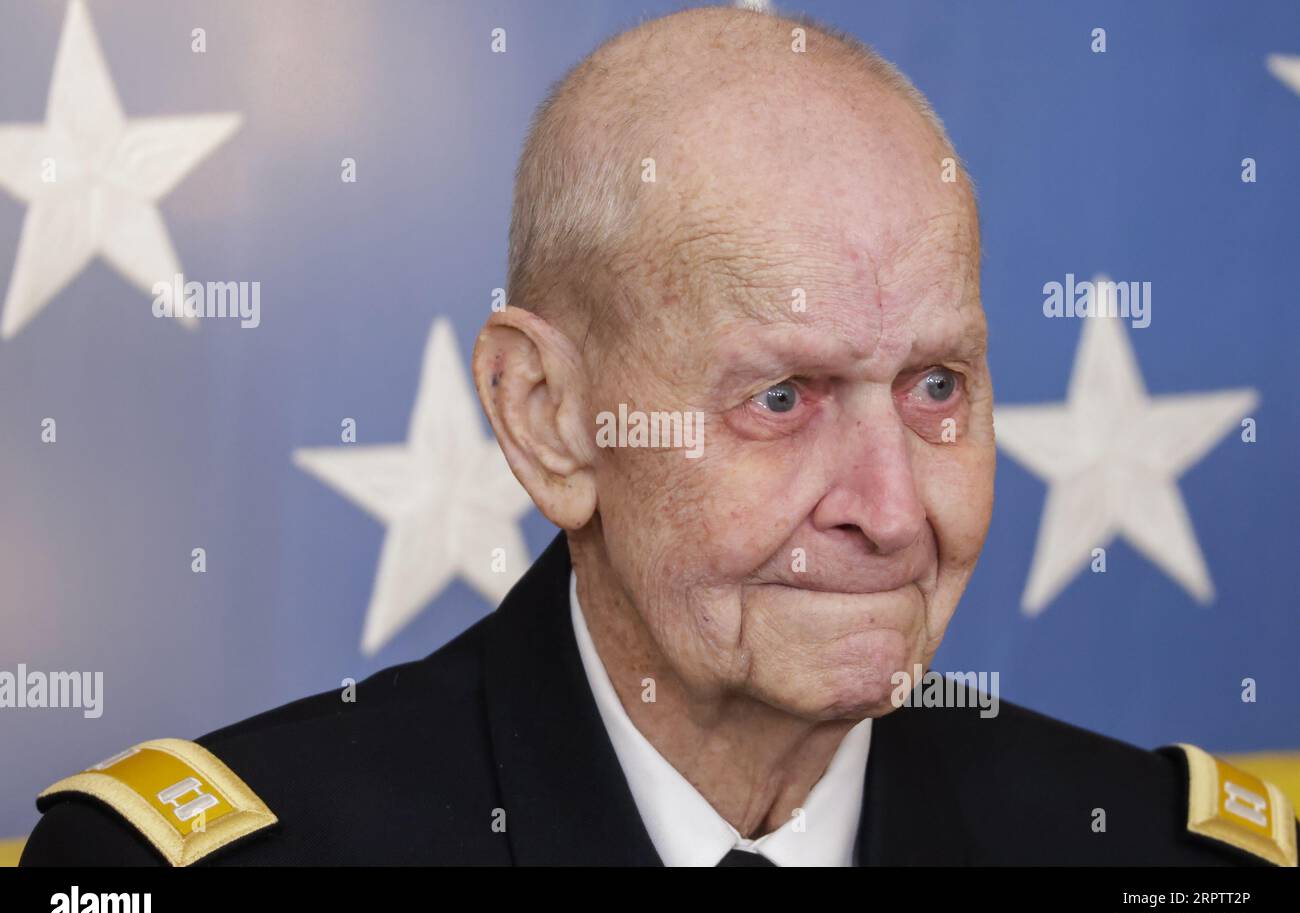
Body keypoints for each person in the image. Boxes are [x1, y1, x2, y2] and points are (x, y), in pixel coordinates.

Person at [20, 5, 1296, 867]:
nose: (895, 510)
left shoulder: (1156, 864)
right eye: (782, 399)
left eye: (937, 386)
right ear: (546, 418)